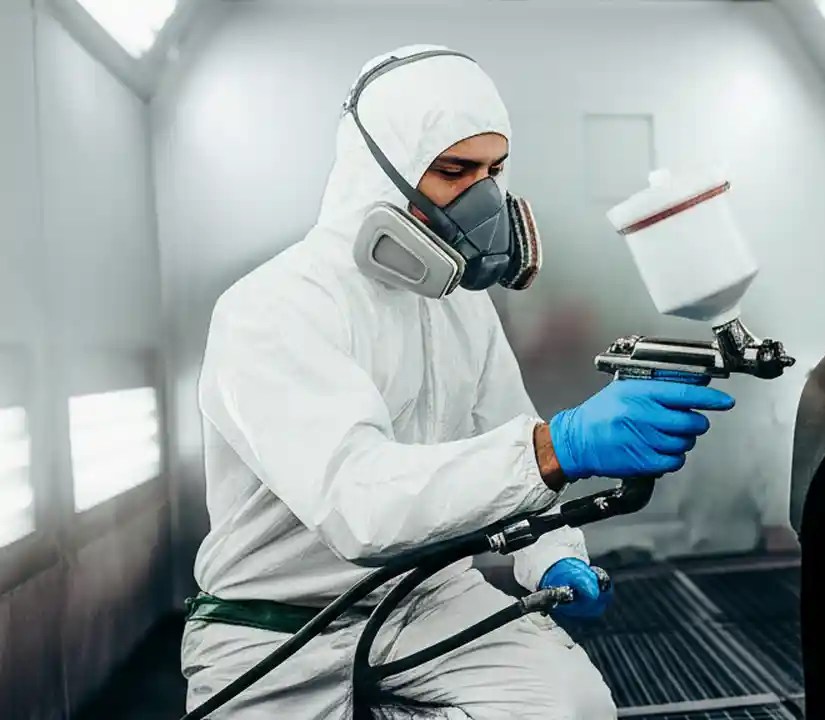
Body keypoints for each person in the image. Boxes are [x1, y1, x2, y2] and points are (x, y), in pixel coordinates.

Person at [179, 44, 735, 719]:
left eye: (494, 171)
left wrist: (554, 558)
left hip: (425, 598)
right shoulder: (272, 308)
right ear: (378, 174)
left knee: (573, 710)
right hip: (274, 623)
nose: (485, 200)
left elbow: (501, 434)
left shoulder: (460, 305)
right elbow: (360, 506)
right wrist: (555, 446)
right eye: (454, 171)